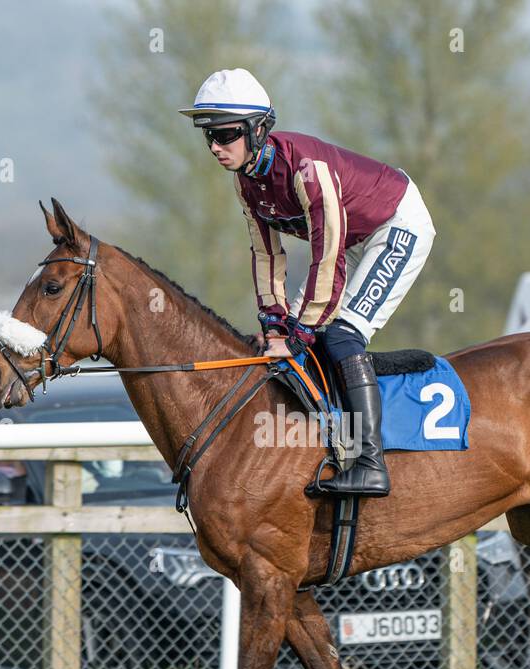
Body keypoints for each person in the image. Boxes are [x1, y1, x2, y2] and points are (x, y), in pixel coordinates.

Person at [179, 68, 436, 497]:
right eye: (208, 136)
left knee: (339, 334)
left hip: (395, 224)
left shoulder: (306, 168)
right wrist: (275, 325)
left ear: (259, 129)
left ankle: (372, 463)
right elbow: (266, 256)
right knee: (296, 340)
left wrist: (299, 333)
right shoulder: (247, 184)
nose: (215, 147)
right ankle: (328, 444)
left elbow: (327, 252)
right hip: (351, 241)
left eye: (225, 134)